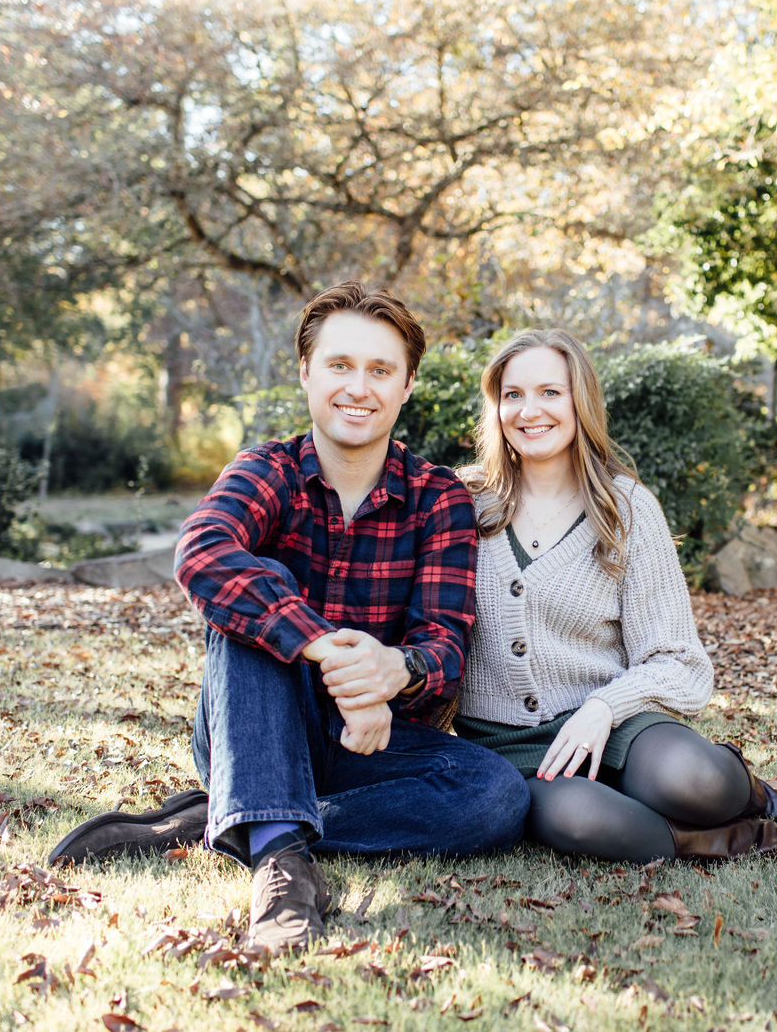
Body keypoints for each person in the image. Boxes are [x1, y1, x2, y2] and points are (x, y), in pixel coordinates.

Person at [47, 283, 530, 953]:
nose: (358, 388)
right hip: (255, 723)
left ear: (407, 385)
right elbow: (202, 552)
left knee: (496, 795)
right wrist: (327, 652)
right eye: (340, 365)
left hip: (374, 744)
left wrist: (395, 669)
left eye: (380, 370)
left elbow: (445, 644)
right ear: (306, 372)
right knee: (256, 592)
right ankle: (282, 871)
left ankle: (232, 818)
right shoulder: (267, 468)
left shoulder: (436, 496)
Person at [454, 330, 777, 867]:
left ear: (580, 401)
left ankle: (769, 798)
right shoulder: (459, 503)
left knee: (696, 780)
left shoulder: (626, 509)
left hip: (618, 722)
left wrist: (603, 708)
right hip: (512, 745)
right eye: (513, 395)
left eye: (550, 392)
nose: (530, 411)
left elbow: (678, 658)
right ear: (496, 406)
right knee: (582, 821)